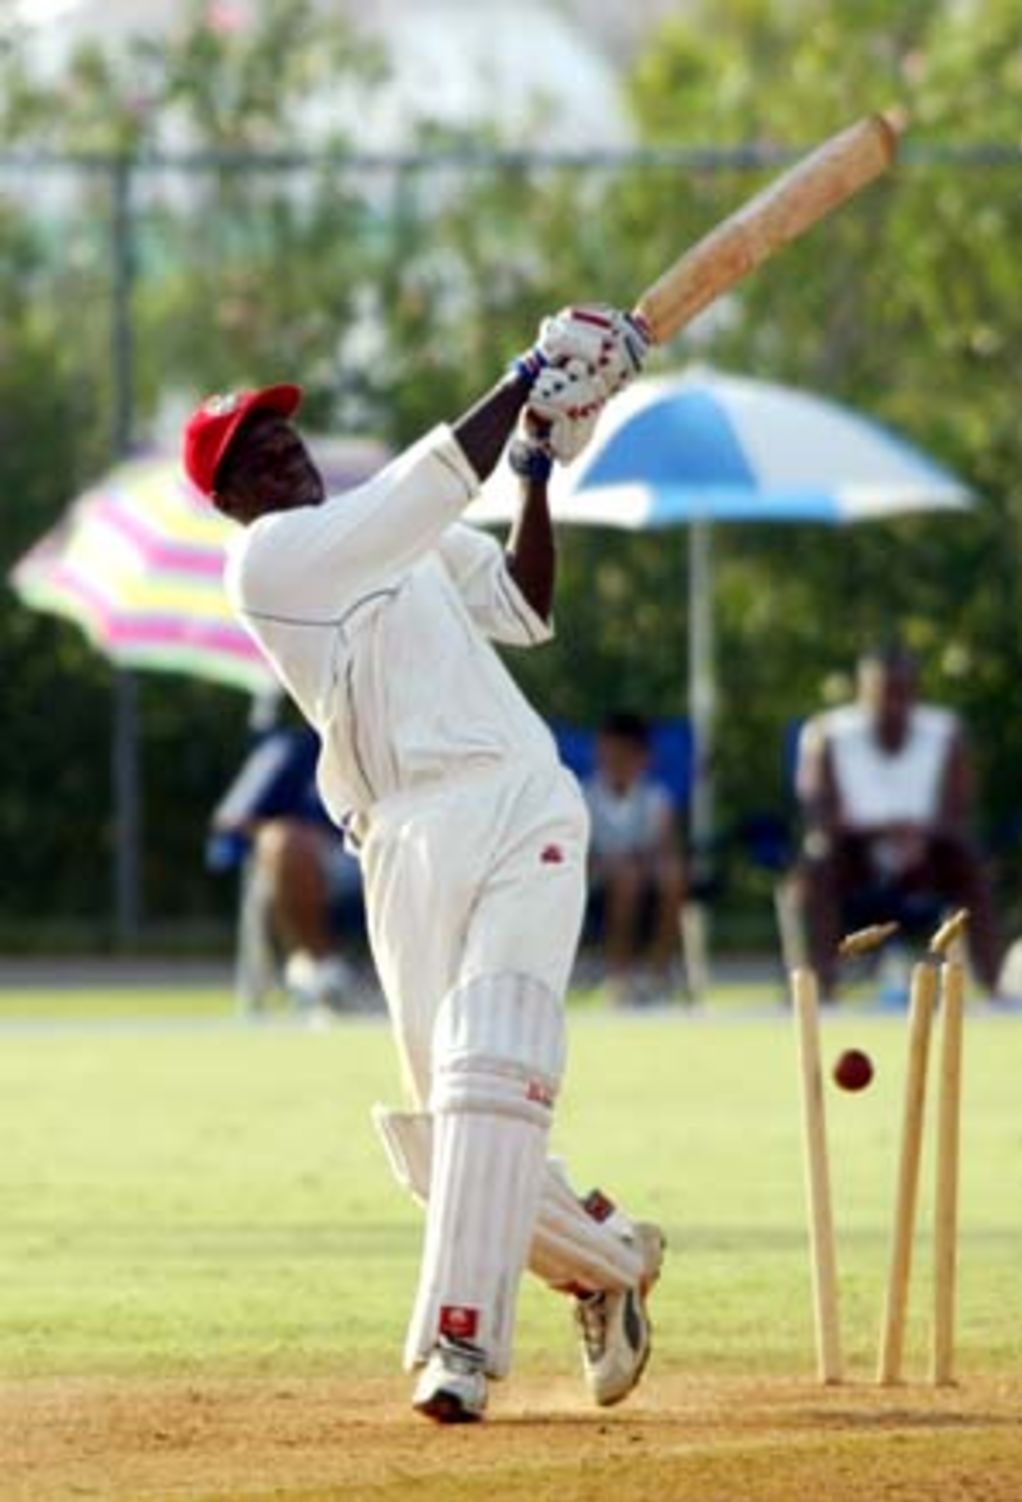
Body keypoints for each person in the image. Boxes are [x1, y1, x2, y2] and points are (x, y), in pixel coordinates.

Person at [180, 304, 663, 1425]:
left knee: (493, 1057)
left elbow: (525, 607)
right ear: (234, 496)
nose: (285, 451)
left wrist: (538, 468)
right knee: (443, 1141)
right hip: (400, 838)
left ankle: (459, 1347)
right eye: (257, 452)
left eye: (286, 434)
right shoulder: (273, 562)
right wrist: (527, 376)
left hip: (518, 796)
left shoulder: (391, 533)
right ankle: (609, 1256)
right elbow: (431, 483)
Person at [796, 645, 1002, 997]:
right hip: (855, 855)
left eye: (901, 692)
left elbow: (959, 809)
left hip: (928, 857)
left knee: (969, 859)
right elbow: (818, 811)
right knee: (817, 861)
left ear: (915, 692)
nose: (892, 703)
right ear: (864, 691)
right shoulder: (826, 734)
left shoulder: (946, 732)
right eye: (882, 692)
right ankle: (821, 985)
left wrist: (918, 839)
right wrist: (881, 835)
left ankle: (993, 985)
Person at [209, 718, 364, 1011]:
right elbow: (233, 821)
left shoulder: (397, 736)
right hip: (329, 865)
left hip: (400, 854)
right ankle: (323, 971)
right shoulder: (289, 747)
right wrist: (303, 836)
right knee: (286, 842)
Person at [583, 711, 687, 1005]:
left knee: (673, 875)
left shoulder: (656, 798)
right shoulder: (585, 794)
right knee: (626, 879)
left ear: (641, 757)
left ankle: (658, 973)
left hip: (645, 873)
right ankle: (620, 976)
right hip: (598, 877)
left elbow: (666, 846)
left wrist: (648, 861)